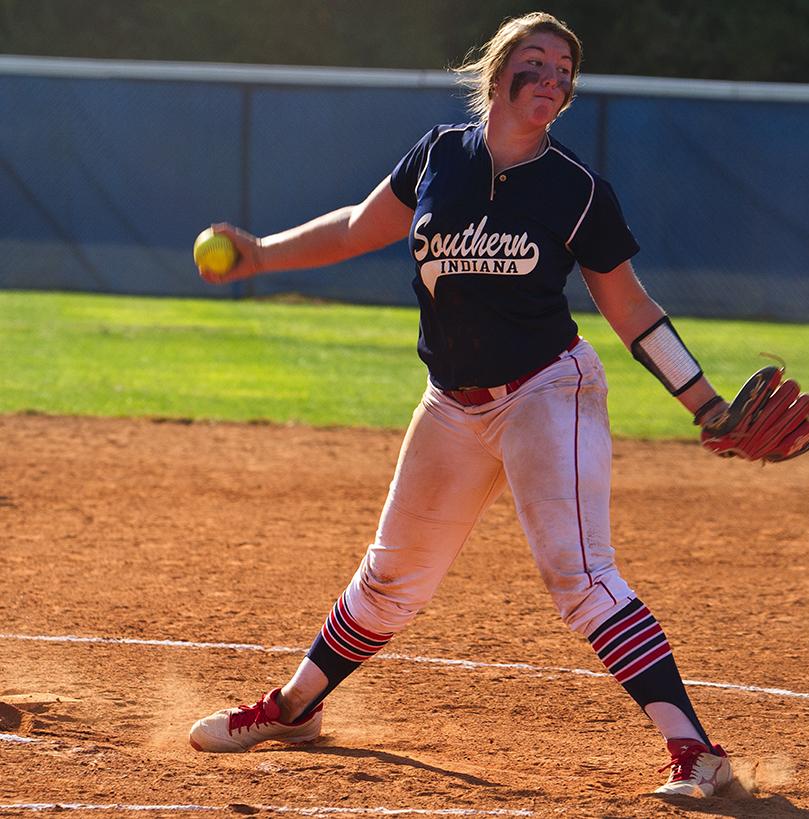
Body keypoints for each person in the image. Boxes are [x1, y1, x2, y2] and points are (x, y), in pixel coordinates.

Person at [188, 11, 734, 798]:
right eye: (537, 62)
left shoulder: (575, 189)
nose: (552, 79)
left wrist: (704, 401)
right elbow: (356, 226)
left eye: (565, 71)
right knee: (389, 578)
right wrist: (263, 255)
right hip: (451, 403)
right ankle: (296, 708)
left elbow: (632, 309)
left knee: (579, 574)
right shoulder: (440, 154)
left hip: (547, 391)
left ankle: (697, 753)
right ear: (497, 70)